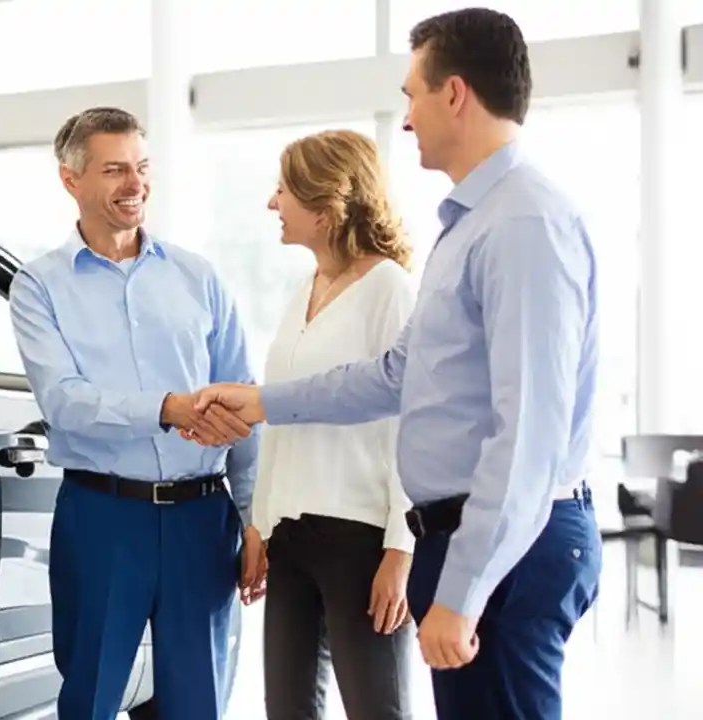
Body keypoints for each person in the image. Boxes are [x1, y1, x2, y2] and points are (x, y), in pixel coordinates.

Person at [188, 9, 602, 720]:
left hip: (506, 547)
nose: (405, 118)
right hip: (464, 533)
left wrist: (462, 590)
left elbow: (528, 433)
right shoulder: (471, 225)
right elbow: (394, 376)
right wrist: (259, 402)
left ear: (456, 94)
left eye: (412, 93)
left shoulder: (522, 223)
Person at [8, 106, 263, 720]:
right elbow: (64, 402)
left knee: (198, 703)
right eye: (115, 169)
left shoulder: (198, 278)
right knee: (90, 698)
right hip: (102, 519)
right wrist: (168, 408)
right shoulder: (39, 286)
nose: (135, 185)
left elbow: (243, 401)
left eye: (142, 167)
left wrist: (256, 519)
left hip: (203, 520)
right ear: (71, 180)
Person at [253, 129, 417, 720]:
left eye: (283, 190)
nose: (273, 203)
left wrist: (401, 549)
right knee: (288, 711)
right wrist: (259, 522)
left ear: (325, 208)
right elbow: (277, 412)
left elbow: (409, 422)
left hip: (362, 540)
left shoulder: (389, 290)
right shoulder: (305, 288)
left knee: (379, 710)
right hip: (292, 535)